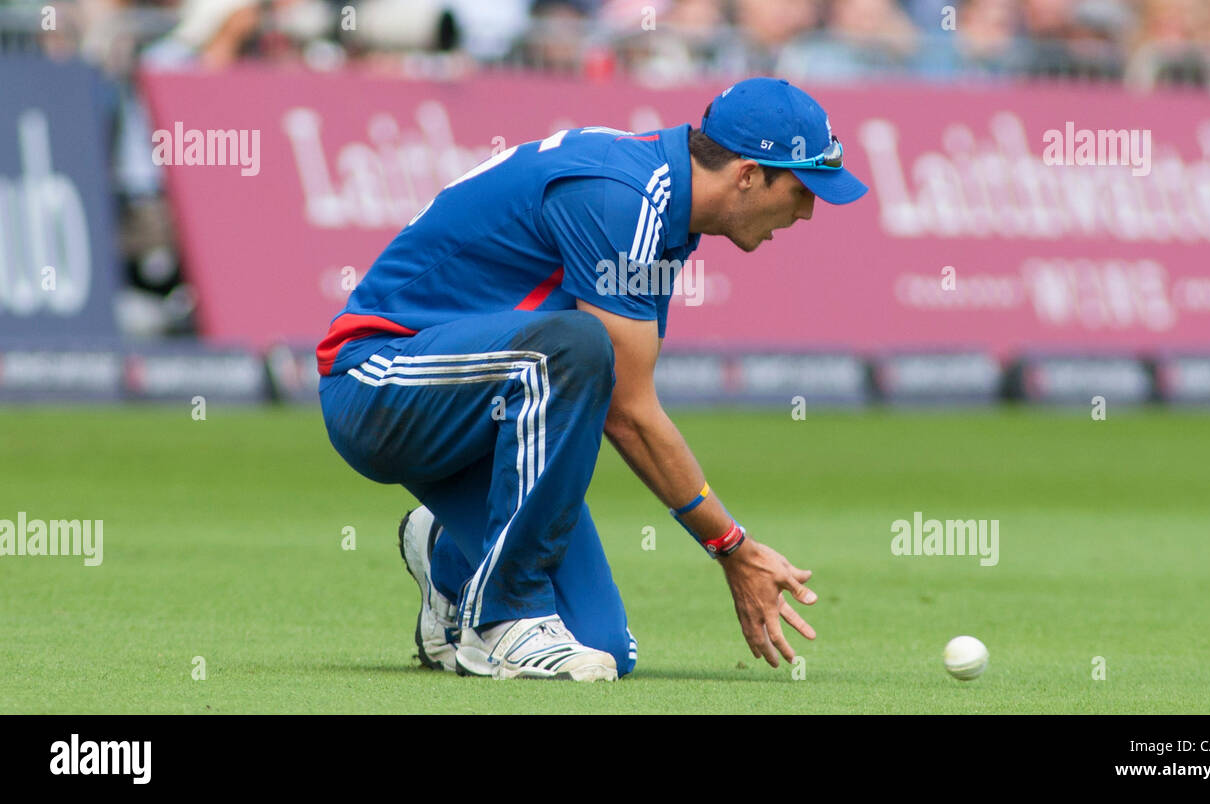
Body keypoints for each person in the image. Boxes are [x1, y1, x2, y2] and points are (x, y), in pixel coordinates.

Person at [317, 77, 869, 681]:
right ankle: (504, 620)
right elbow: (626, 411)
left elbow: (623, 397)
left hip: (477, 406)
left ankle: (448, 559)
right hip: (376, 382)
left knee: (605, 648)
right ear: (745, 175)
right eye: (800, 188)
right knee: (576, 347)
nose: (809, 210)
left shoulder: (669, 214)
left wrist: (728, 545)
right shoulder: (622, 195)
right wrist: (733, 547)